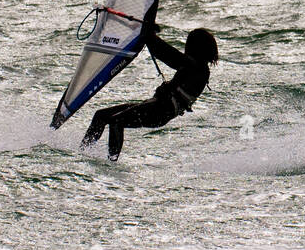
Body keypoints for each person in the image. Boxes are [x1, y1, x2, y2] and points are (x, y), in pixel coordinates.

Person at [81, 23, 219, 161]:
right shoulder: (193, 65)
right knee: (101, 116)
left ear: (197, 48)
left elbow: (169, 56)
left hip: (161, 111)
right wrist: (149, 36)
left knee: (116, 121)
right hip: (156, 105)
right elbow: (166, 53)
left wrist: (149, 36)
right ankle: (82, 152)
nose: (186, 48)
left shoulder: (198, 68)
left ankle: (111, 162)